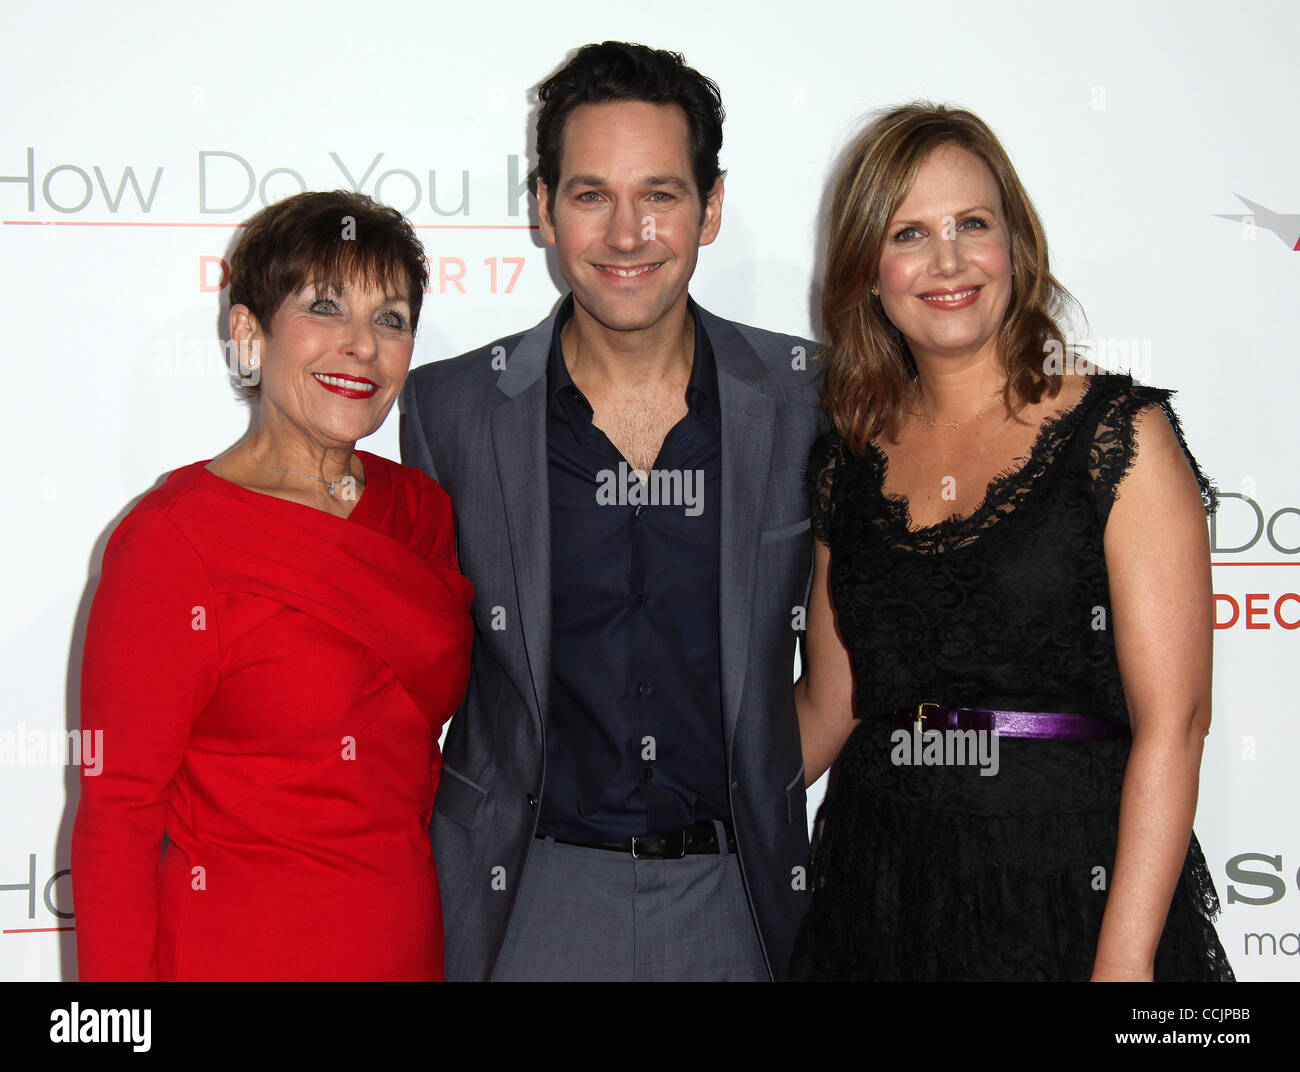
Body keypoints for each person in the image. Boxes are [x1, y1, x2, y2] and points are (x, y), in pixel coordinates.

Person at [401, 41, 820, 981]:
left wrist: (759, 778)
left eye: (660, 194)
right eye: (591, 194)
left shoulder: (807, 401)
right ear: (544, 208)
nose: (626, 234)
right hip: (526, 896)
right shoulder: (449, 410)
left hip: (740, 895)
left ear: (710, 208)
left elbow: (838, 679)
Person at [790, 104, 1235, 981]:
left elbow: (1174, 725)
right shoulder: (846, 461)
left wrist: (1124, 965)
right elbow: (830, 707)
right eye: (909, 232)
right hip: (877, 894)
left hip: (1072, 893)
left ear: (1015, 248)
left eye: (972, 225)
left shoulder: (1118, 435)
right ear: (867, 272)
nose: (947, 261)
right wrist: (671, 807)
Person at [70, 190, 473, 981]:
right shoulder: (173, 540)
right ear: (249, 334)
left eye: (390, 319)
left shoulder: (420, 510)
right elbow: (115, 820)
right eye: (325, 307)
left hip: (405, 943)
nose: (362, 346)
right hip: (239, 948)